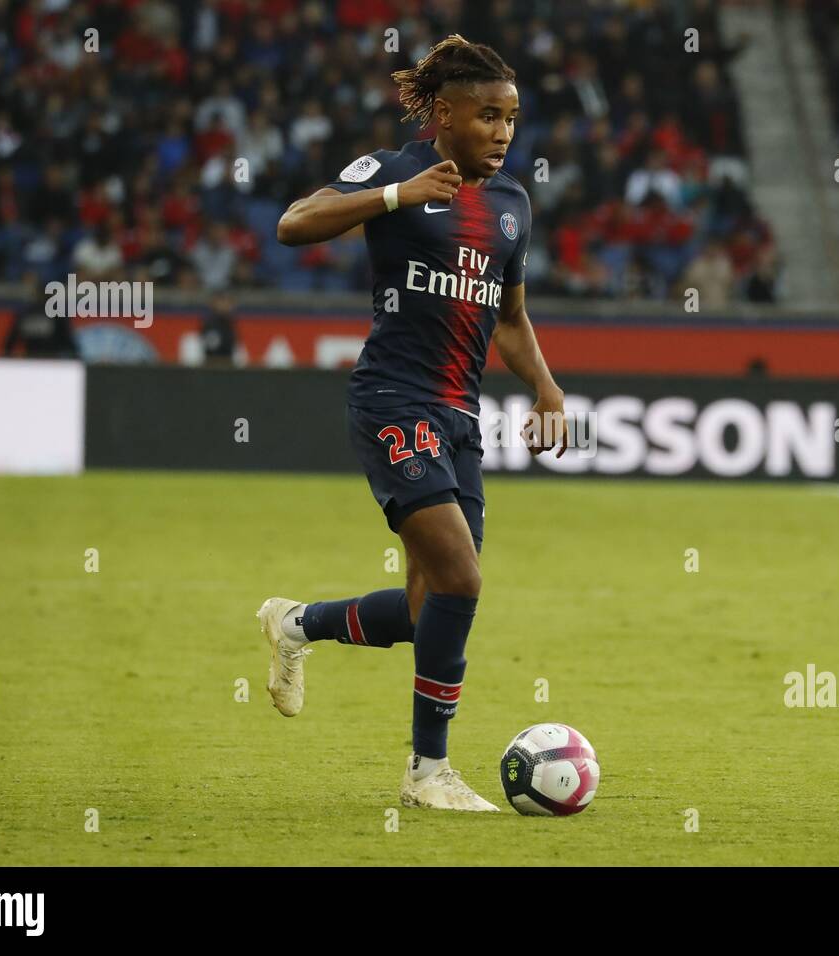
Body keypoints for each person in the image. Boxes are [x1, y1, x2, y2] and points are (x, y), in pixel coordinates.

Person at [260, 35, 568, 812]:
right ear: (443, 115)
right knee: (463, 579)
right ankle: (428, 770)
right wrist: (397, 198)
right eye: (488, 116)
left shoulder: (511, 208)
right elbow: (295, 224)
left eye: (512, 118)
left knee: (434, 604)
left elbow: (510, 320)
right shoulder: (393, 171)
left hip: (461, 417)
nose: (502, 132)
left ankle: (297, 624)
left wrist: (548, 390)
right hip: (393, 401)